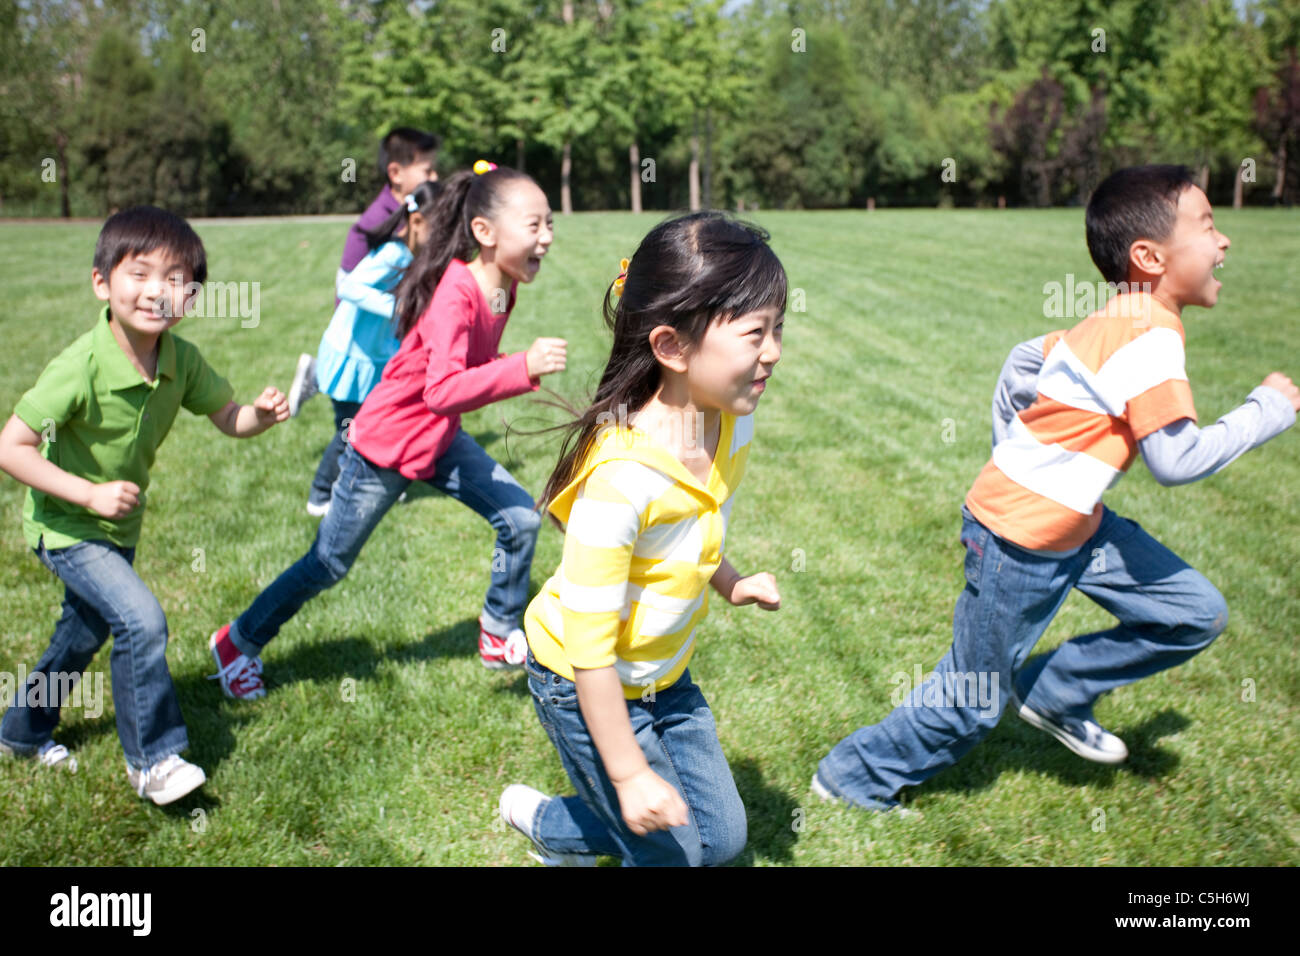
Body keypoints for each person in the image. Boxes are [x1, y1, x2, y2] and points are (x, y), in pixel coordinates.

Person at [814, 165, 1300, 812]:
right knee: (971, 700)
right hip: (1021, 541)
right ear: (1149, 256)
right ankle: (852, 778)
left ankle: (1055, 691)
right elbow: (1176, 460)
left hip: (1076, 525)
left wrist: (1018, 455)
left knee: (1192, 612)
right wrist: (1266, 410)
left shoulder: (1119, 318)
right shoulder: (1147, 334)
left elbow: (1025, 361)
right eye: (1208, 225)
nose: (1224, 242)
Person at [209, 164, 567, 698]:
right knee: (328, 563)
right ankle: (236, 642)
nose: (547, 238)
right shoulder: (455, 294)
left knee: (519, 517)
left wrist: (513, 370)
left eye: (550, 224)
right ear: (484, 233)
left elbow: (470, 373)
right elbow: (442, 389)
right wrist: (524, 367)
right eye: (534, 225)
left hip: (436, 440)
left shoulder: (501, 291)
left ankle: (497, 633)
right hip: (384, 446)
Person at [498, 212, 785, 866]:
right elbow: (590, 648)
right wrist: (627, 774)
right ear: (673, 347)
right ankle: (568, 816)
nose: (772, 351)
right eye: (754, 334)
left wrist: (733, 581)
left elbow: (694, 536)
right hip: (581, 677)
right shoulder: (622, 482)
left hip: (663, 677)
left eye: (777, 330)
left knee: (723, 840)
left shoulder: (728, 425)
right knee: (667, 855)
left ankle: (561, 826)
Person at [0, 206, 290, 804]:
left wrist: (259, 416)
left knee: (82, 636)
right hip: (66, 524)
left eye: (178, 278)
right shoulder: (79, 366)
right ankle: (154, 760)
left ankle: (20, 733)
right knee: (141, 621)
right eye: (141, 273)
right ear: (102, 282)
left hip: (118, 527)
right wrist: (88, 493)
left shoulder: (179, 360)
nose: (159, 290)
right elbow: (12, 447)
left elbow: (229, 419)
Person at [304, 180, 440, 517]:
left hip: (377, 357)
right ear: (419, 222)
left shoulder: (416, 256)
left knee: (379, 424)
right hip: (351, 359)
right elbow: (348, 285)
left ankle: (375, 485)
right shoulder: (393, 252)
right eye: (443, 227)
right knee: (351, 429)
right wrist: (396, 308)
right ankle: (320, 495)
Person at [289, 126, 440, 417]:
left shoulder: (412, 216)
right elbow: (348, 285)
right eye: (428, 171)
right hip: (359, 335)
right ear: (396, 173)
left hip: (382, 333)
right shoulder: (381, 223)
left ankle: (320, 374)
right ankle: (320, 373)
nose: (434, 178)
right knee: (355, 422)